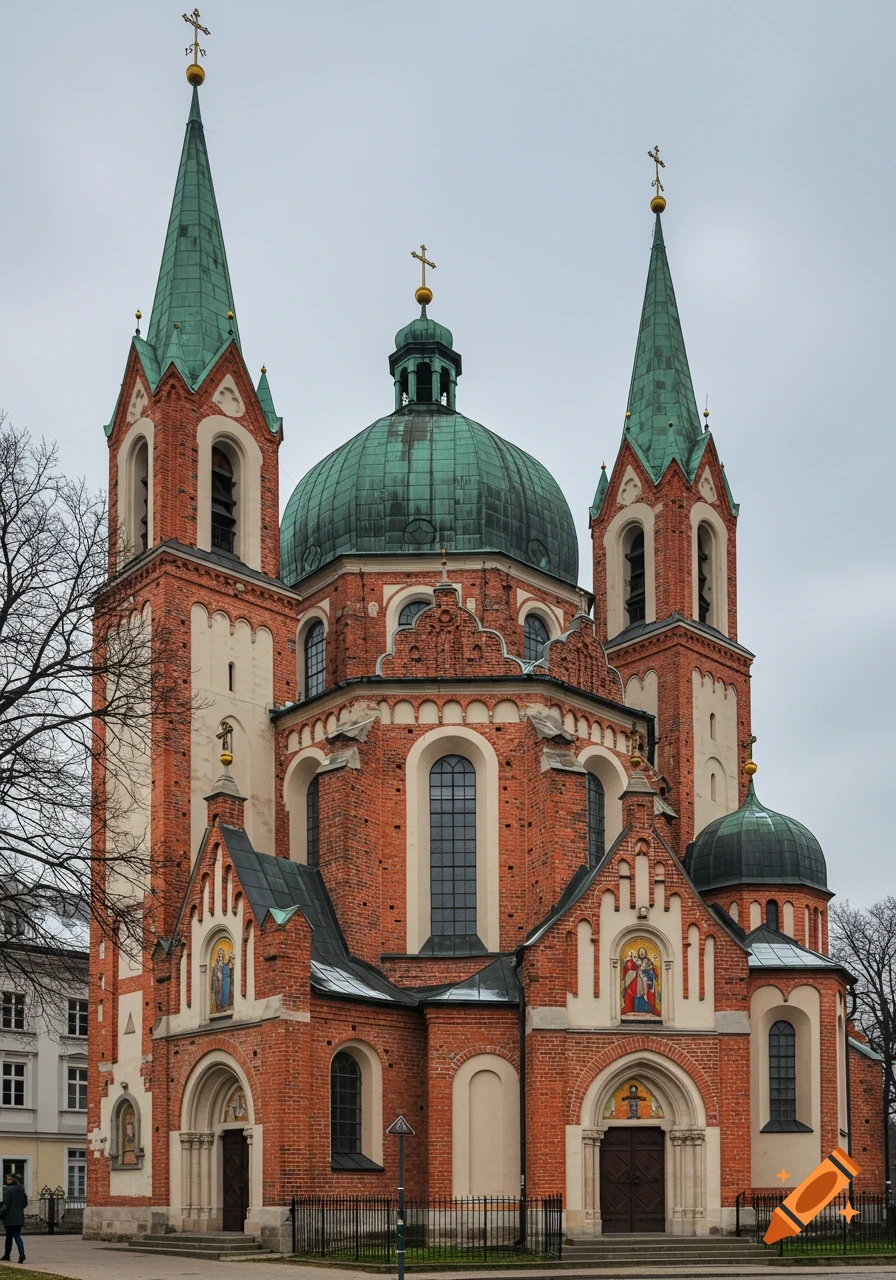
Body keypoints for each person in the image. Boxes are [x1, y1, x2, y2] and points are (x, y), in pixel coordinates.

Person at [0, 1171, 27, 1263]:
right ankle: (7, 1254)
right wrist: (18, 1209)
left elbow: (6, 1204)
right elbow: (25, 1202)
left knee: (14, 1235)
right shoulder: (21, 1188)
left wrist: (1, 1213)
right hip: (19, 1215)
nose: (6, 1181)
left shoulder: (7, 1189)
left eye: (7, 1179)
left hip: (9, 1216)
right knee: (11, 1235)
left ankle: (21, 1254)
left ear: (10, 1180)